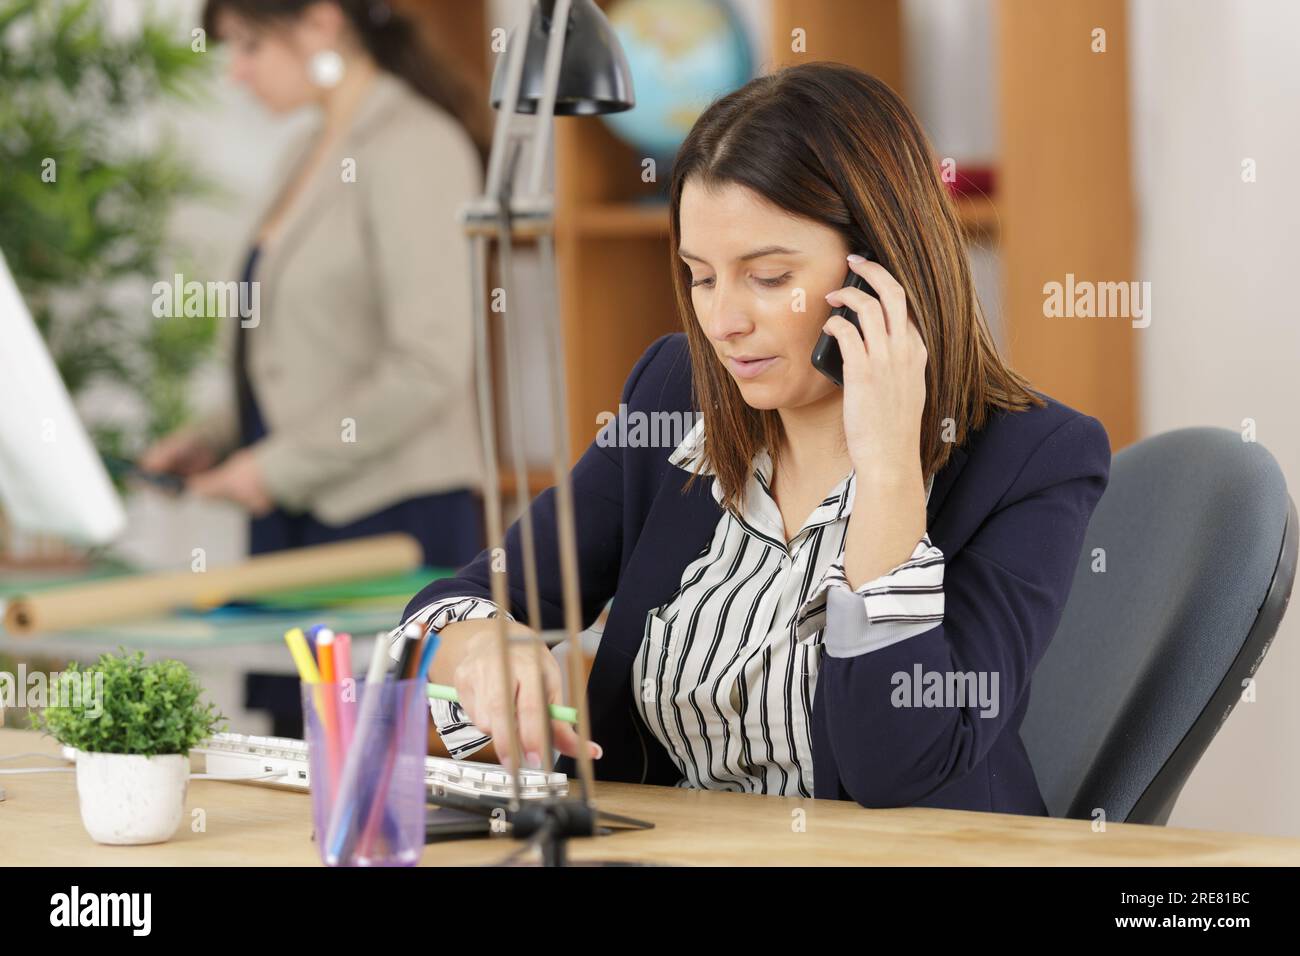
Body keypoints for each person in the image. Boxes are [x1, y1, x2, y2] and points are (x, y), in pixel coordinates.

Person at [394, 63, 1110, 815]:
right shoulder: (675, 396)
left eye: (768, 277)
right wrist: (478, 642)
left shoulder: (1034, 461)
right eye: (701, 276)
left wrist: (891, 470)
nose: (724, 320)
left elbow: (900, 768)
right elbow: (475, 595)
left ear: (882, 270)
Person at [141, 0, 488, 570]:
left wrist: (274, 469)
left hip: (387, 519)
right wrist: (213, 437)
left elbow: (429, 363)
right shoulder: (303, 153)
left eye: (250, 46)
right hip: (292, 513)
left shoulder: (416, 145)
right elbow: (300, 353)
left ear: (323, 23)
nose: (236, 72)